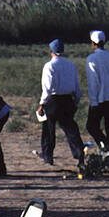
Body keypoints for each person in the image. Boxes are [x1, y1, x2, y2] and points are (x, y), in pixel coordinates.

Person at [34, 39, 84, 167]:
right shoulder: (71, 65)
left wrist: (41, 104)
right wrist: (76, 102)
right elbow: (77, 87)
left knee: (49, 129)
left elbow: (48, 88)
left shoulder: (49, 66)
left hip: (53, 102)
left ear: (51, 51)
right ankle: (79, 154)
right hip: (68, 100)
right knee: (71, 129)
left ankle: (48, 156)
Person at [85, 29, 109, 166]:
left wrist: (93, 101)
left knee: (91, 126)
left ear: (93, 43)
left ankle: (105, 146)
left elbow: (93, 82)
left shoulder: (91, 59)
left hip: (99, 99)